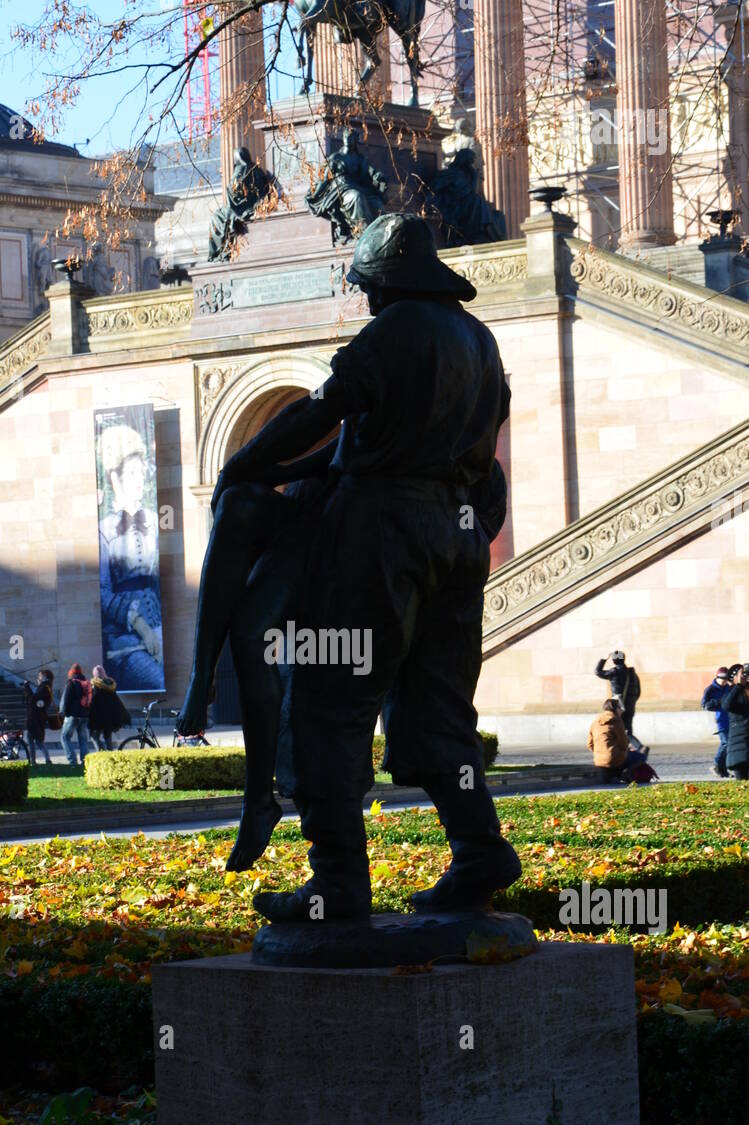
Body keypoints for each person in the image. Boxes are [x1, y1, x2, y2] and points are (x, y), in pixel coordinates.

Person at [178, 212, 521, 919]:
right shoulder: (478, 340)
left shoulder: (392, 332)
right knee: (438, 711)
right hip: (456, 538)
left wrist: (244, 464)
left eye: (368, 285)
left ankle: (336, 883)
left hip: (382, 536)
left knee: (326, 707)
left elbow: (322, 413)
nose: (365, 298)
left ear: (386, 284)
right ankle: (478, 848)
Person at [97, 424, 164, 693]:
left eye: (141, 472)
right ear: (115, 478)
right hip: (125, 643)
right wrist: (139, 623)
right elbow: (102, 593)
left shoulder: (152, 521)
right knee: (158, 680)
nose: (140, 480)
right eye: (132, 473)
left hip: (159, 632)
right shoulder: (104, 529)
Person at [587, 699, 646, 784]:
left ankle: (614, 775)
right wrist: (626, 747)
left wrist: (600, 752)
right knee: (641, 756)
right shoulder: (616, 721)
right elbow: (624, 744)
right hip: (613, 759)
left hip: (598, 760)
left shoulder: (595, 722)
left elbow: (589, 744)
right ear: (615, 709)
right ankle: (624, 775)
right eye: (620, 707)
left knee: (620, 757)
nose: (622, 710)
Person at [595, 651, 644, 752]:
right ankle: (629, 750)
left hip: (618, 707)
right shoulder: (632, 674)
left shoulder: (614, 672)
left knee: (617, 730)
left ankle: (638, 747)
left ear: (613, 661)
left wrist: (603, 659)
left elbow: (597, 672)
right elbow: (638, 691)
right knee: (627, 731)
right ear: (624, 659)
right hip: (630, 706)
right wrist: (631, 702)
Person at [87, 664, 131, 751]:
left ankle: (102, 753)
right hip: (110, 718)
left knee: (94, 736)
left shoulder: (95, 686)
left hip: (98, 718)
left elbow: (93, 703)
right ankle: (110, 755)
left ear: (95, 675)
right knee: (108, 737)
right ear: (104, 673)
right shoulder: (110, 684)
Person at [701, 666, 732, 778]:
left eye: (726, 679)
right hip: (719, 721)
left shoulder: (729, 688)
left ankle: (723, 770)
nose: (724, 681)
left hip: (730, 720)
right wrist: (720, 702)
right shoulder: (710, 689)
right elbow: (704, 705)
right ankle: (716, 764)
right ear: (717, 677)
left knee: (729, 745)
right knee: (726, 743)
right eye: (722, 678)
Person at [59, 663, 91, 765]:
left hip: (73, 715)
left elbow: (65, 700)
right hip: (85, 715)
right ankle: (84, 761)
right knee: (83, 739)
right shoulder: (86, 683)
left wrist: (62, 712)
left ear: (71, 673)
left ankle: (72, 761)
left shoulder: (71, 683)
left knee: (65, 737)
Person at [722, 665, 749, 779]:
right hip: (740, 749)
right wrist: (738, 686)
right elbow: (727, 705)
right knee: (743, 789)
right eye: (743, 675)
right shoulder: (732, 694)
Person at [23, 668, 54, 766]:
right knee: (38, 740)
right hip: (39, 718)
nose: (38, 678)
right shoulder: (46, 687)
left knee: (33, 740)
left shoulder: (44, 688)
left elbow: (33, 699)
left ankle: (34, 761)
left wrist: (27, 686)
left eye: (40, 676)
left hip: (35, 718)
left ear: (44, 677)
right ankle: (46, 759)